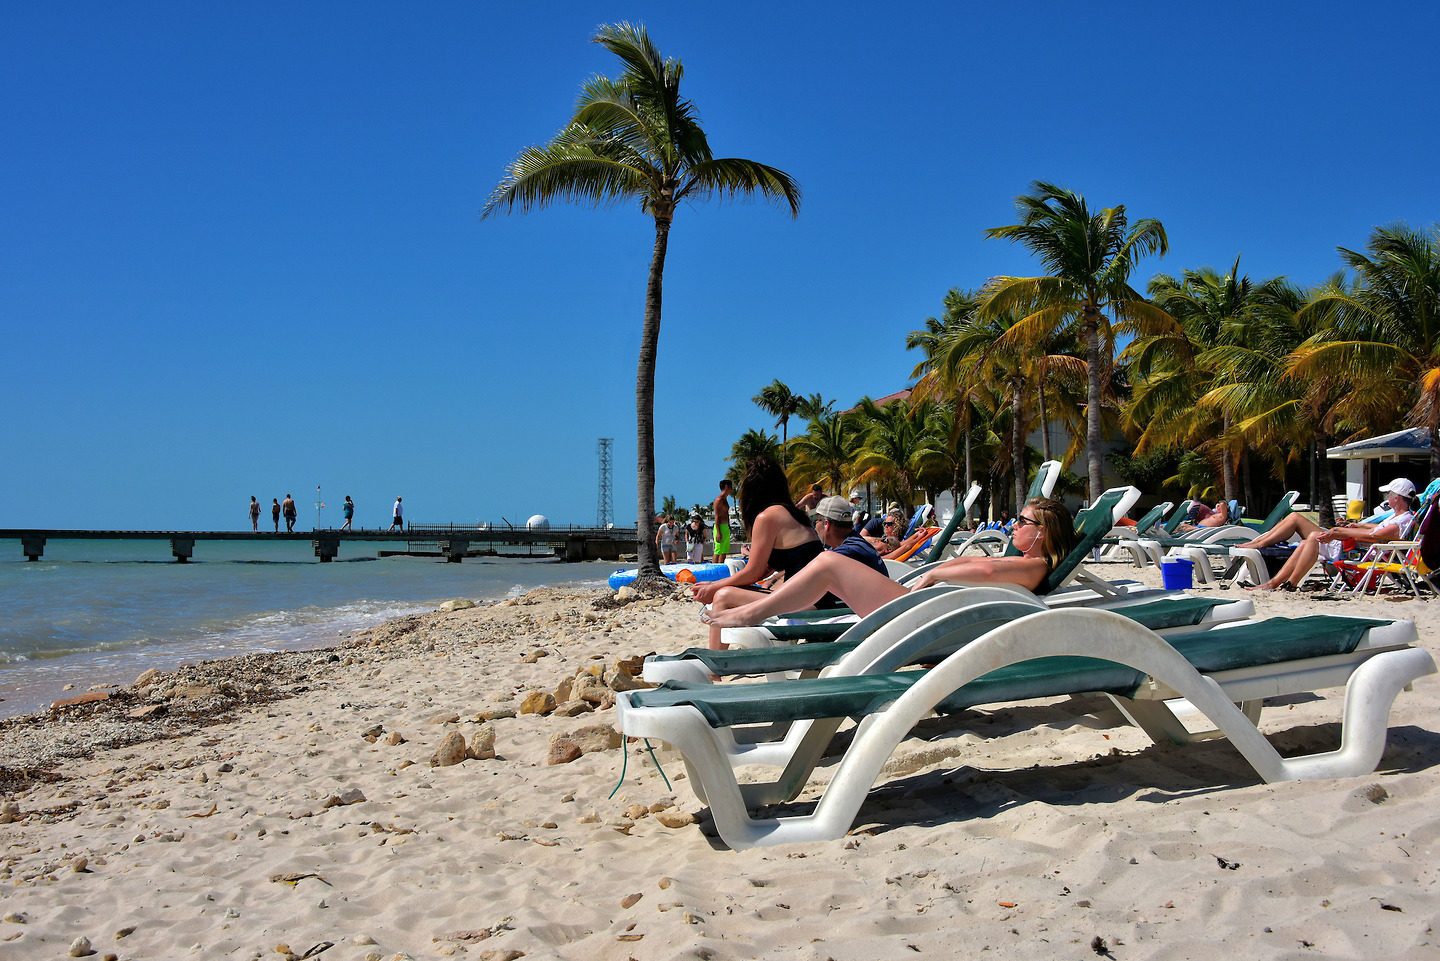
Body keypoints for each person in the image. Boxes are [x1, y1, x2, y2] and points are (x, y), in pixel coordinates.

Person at [704, 497, 1081, 629]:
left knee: (829, 564)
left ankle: (755, 612)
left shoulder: (1035, 565)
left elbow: (983, 571)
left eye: (1023, 521)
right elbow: (984, 572)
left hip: (926, 613)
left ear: (1043, 531)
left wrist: (934, 571)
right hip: (926, 608)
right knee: (827, 568)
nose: (1015, 525)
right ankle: (758, 608)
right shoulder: (1027, 563)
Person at [692, 456, 828, 649]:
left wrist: (714, 588)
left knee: (723, 596)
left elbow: (754, 572)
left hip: (807, 602)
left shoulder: (768, 517)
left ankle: (716, 667)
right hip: (812, 597)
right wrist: (714, 583)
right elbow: (762, 570)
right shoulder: (791, 514)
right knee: (724, 591)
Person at [1240, 479, 1418, 591]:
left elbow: (1373, 536)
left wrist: (1337, 532)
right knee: (1299, 528)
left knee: (1308, 535)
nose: (1387, 496)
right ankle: (1277, 582)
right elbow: (1375, 530)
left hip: (1353, 550)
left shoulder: (1401, 520)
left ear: (1397, 498)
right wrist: (1356, 524)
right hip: (1349, 544)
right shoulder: (1399, 517)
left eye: (1390, 494)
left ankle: (1285, 579)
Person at [812, 496, 887, 574]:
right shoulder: (856, 542)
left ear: (826, 524)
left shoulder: (846, 553)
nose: (815, 526)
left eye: (816, 521)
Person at [712, 479, 734, 562]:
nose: (732, 489)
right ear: (726, 487)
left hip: (725, 527)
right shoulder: (719, 500)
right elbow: (717, 516)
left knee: (724, 551)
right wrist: (718, 532)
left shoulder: (725, 499)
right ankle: (714, 569)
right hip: (720, 527)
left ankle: (721, 568)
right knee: (718, 550)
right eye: (731, 487)